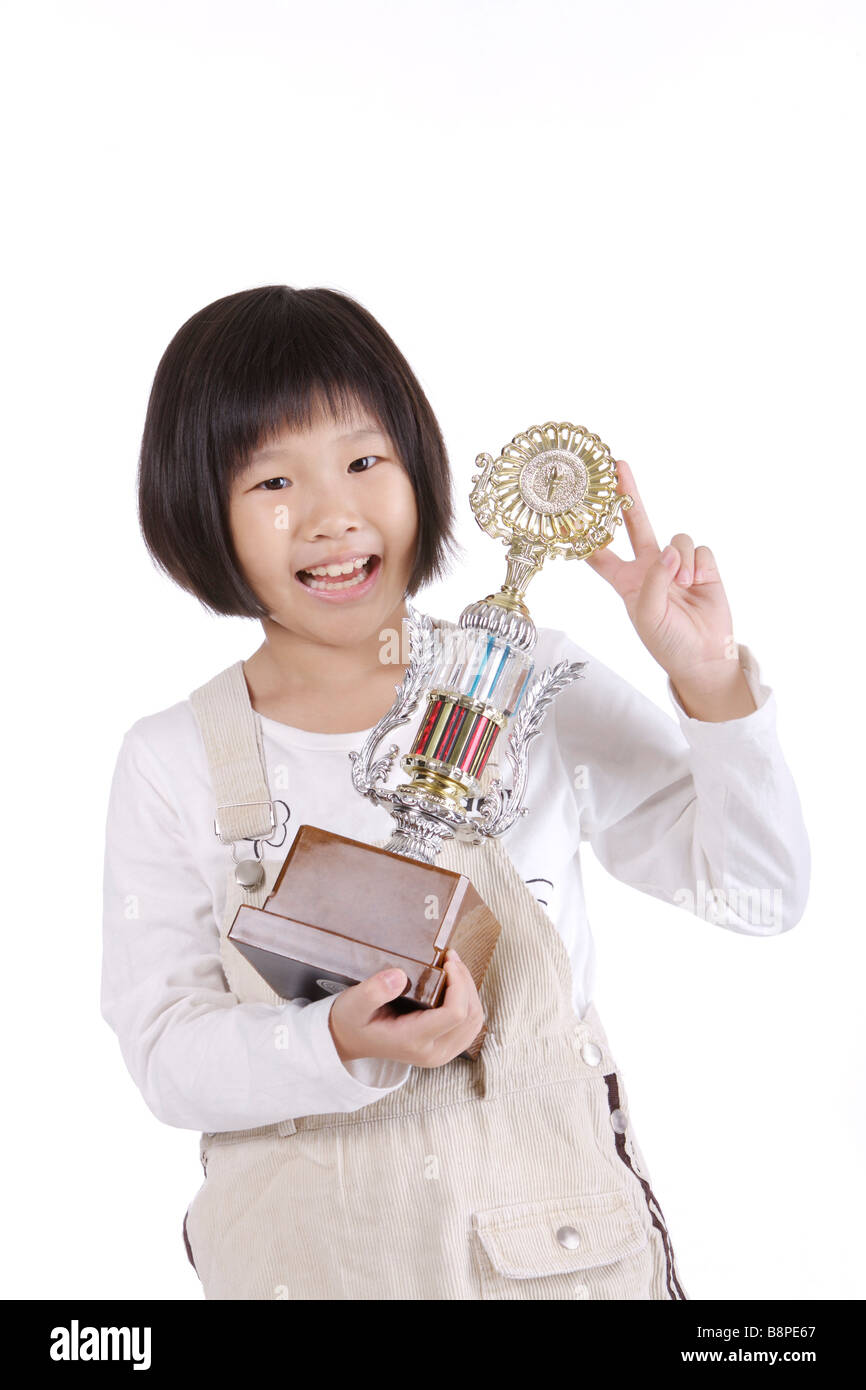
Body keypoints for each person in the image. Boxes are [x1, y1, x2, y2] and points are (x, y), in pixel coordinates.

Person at [100, 284, 810, 1300]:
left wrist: (710, 684)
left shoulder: (532, 685)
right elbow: (167, 1056)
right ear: (196, 510)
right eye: (273, 480)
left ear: (422, 471)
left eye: (363, 461)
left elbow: (759, 893)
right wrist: (333, 1040)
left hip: (562, 1265)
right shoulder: (174, 760)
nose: (334, 514)